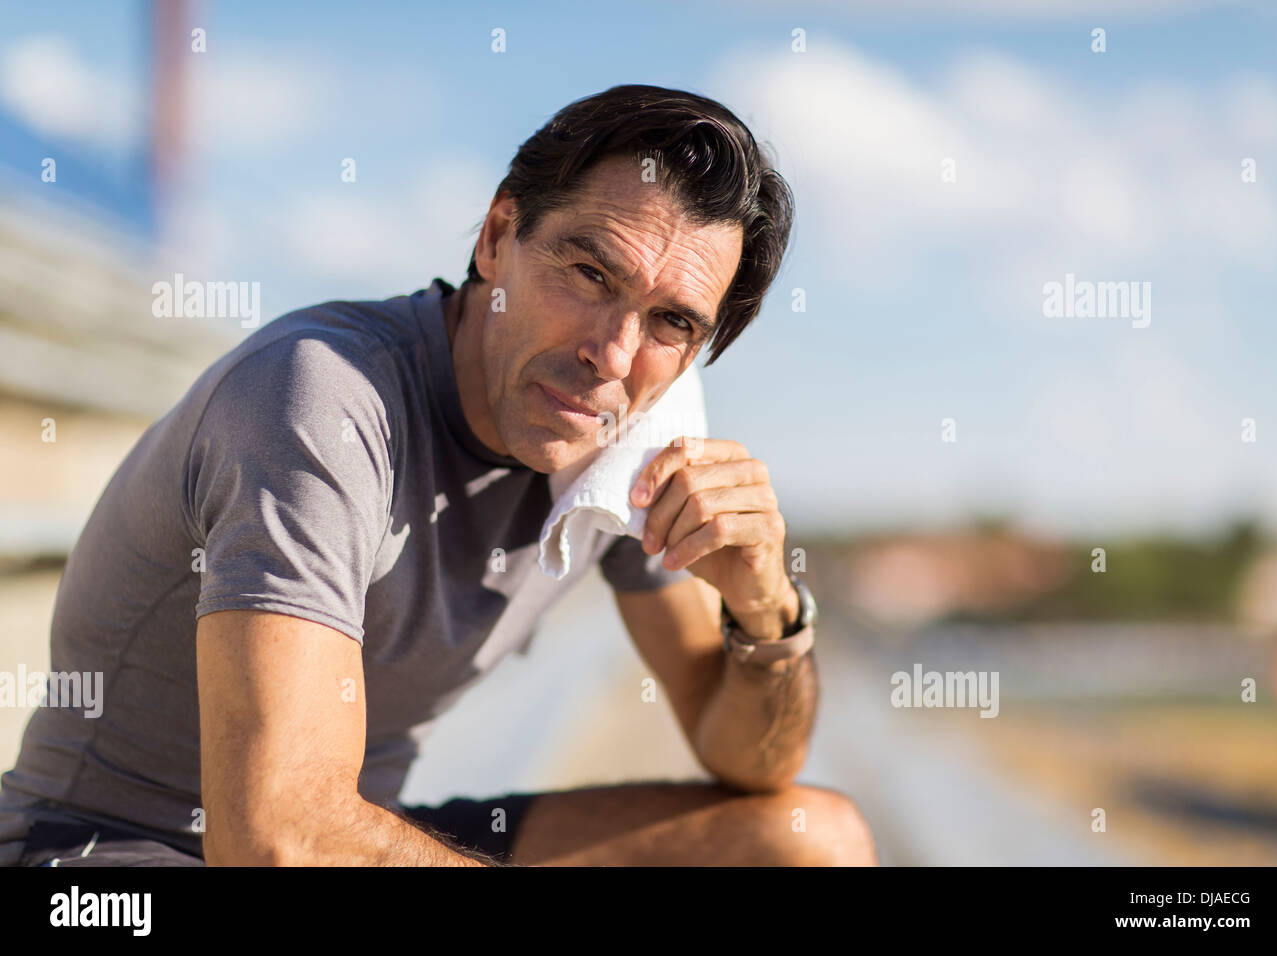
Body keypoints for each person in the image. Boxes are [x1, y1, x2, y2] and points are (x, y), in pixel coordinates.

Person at [0, 84, 875, 866]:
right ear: (498, 237)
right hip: (101, 849)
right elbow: (277, 842)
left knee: (808, 842)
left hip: (356, 825)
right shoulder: (320, 399)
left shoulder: (635, 427)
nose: (610, 352)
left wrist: (768, 609)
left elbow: (746, 757)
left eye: (671, 322)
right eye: (587, 272)